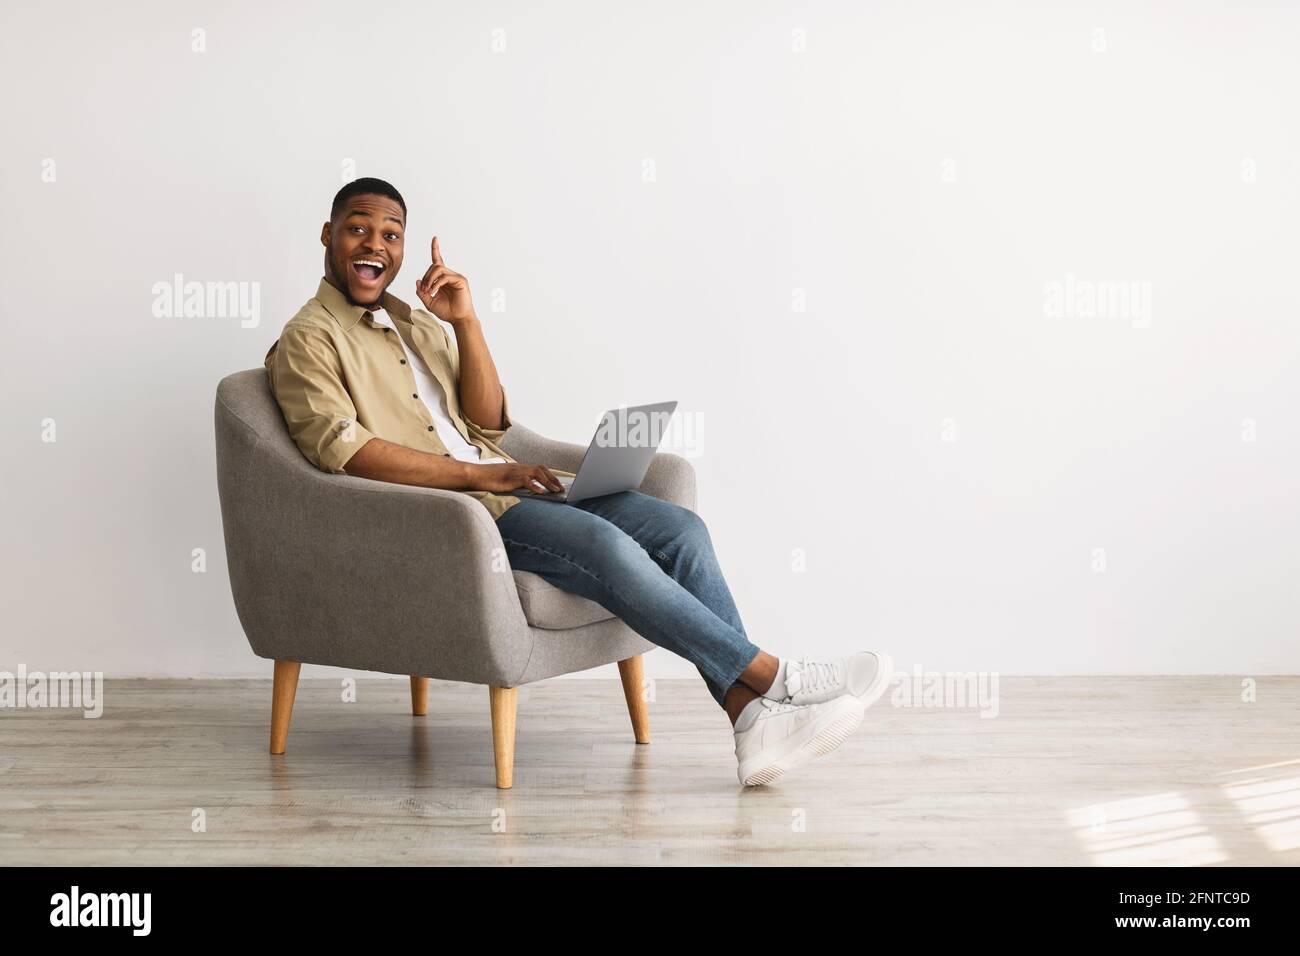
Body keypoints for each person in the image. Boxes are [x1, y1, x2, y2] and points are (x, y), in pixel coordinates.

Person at [265, 178, 893, 785]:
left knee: (679, 528)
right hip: (454, 515)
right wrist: (485, 475)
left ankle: (748, 720)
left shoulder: (418, 323)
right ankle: (774, 677)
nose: (376, 244)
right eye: (358, 229)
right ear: (327, 236)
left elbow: (487, 419)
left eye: (391, 233)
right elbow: (346, 453)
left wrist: (467, 323)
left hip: (508, 484)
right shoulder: (307, 339)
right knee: (608, 546)